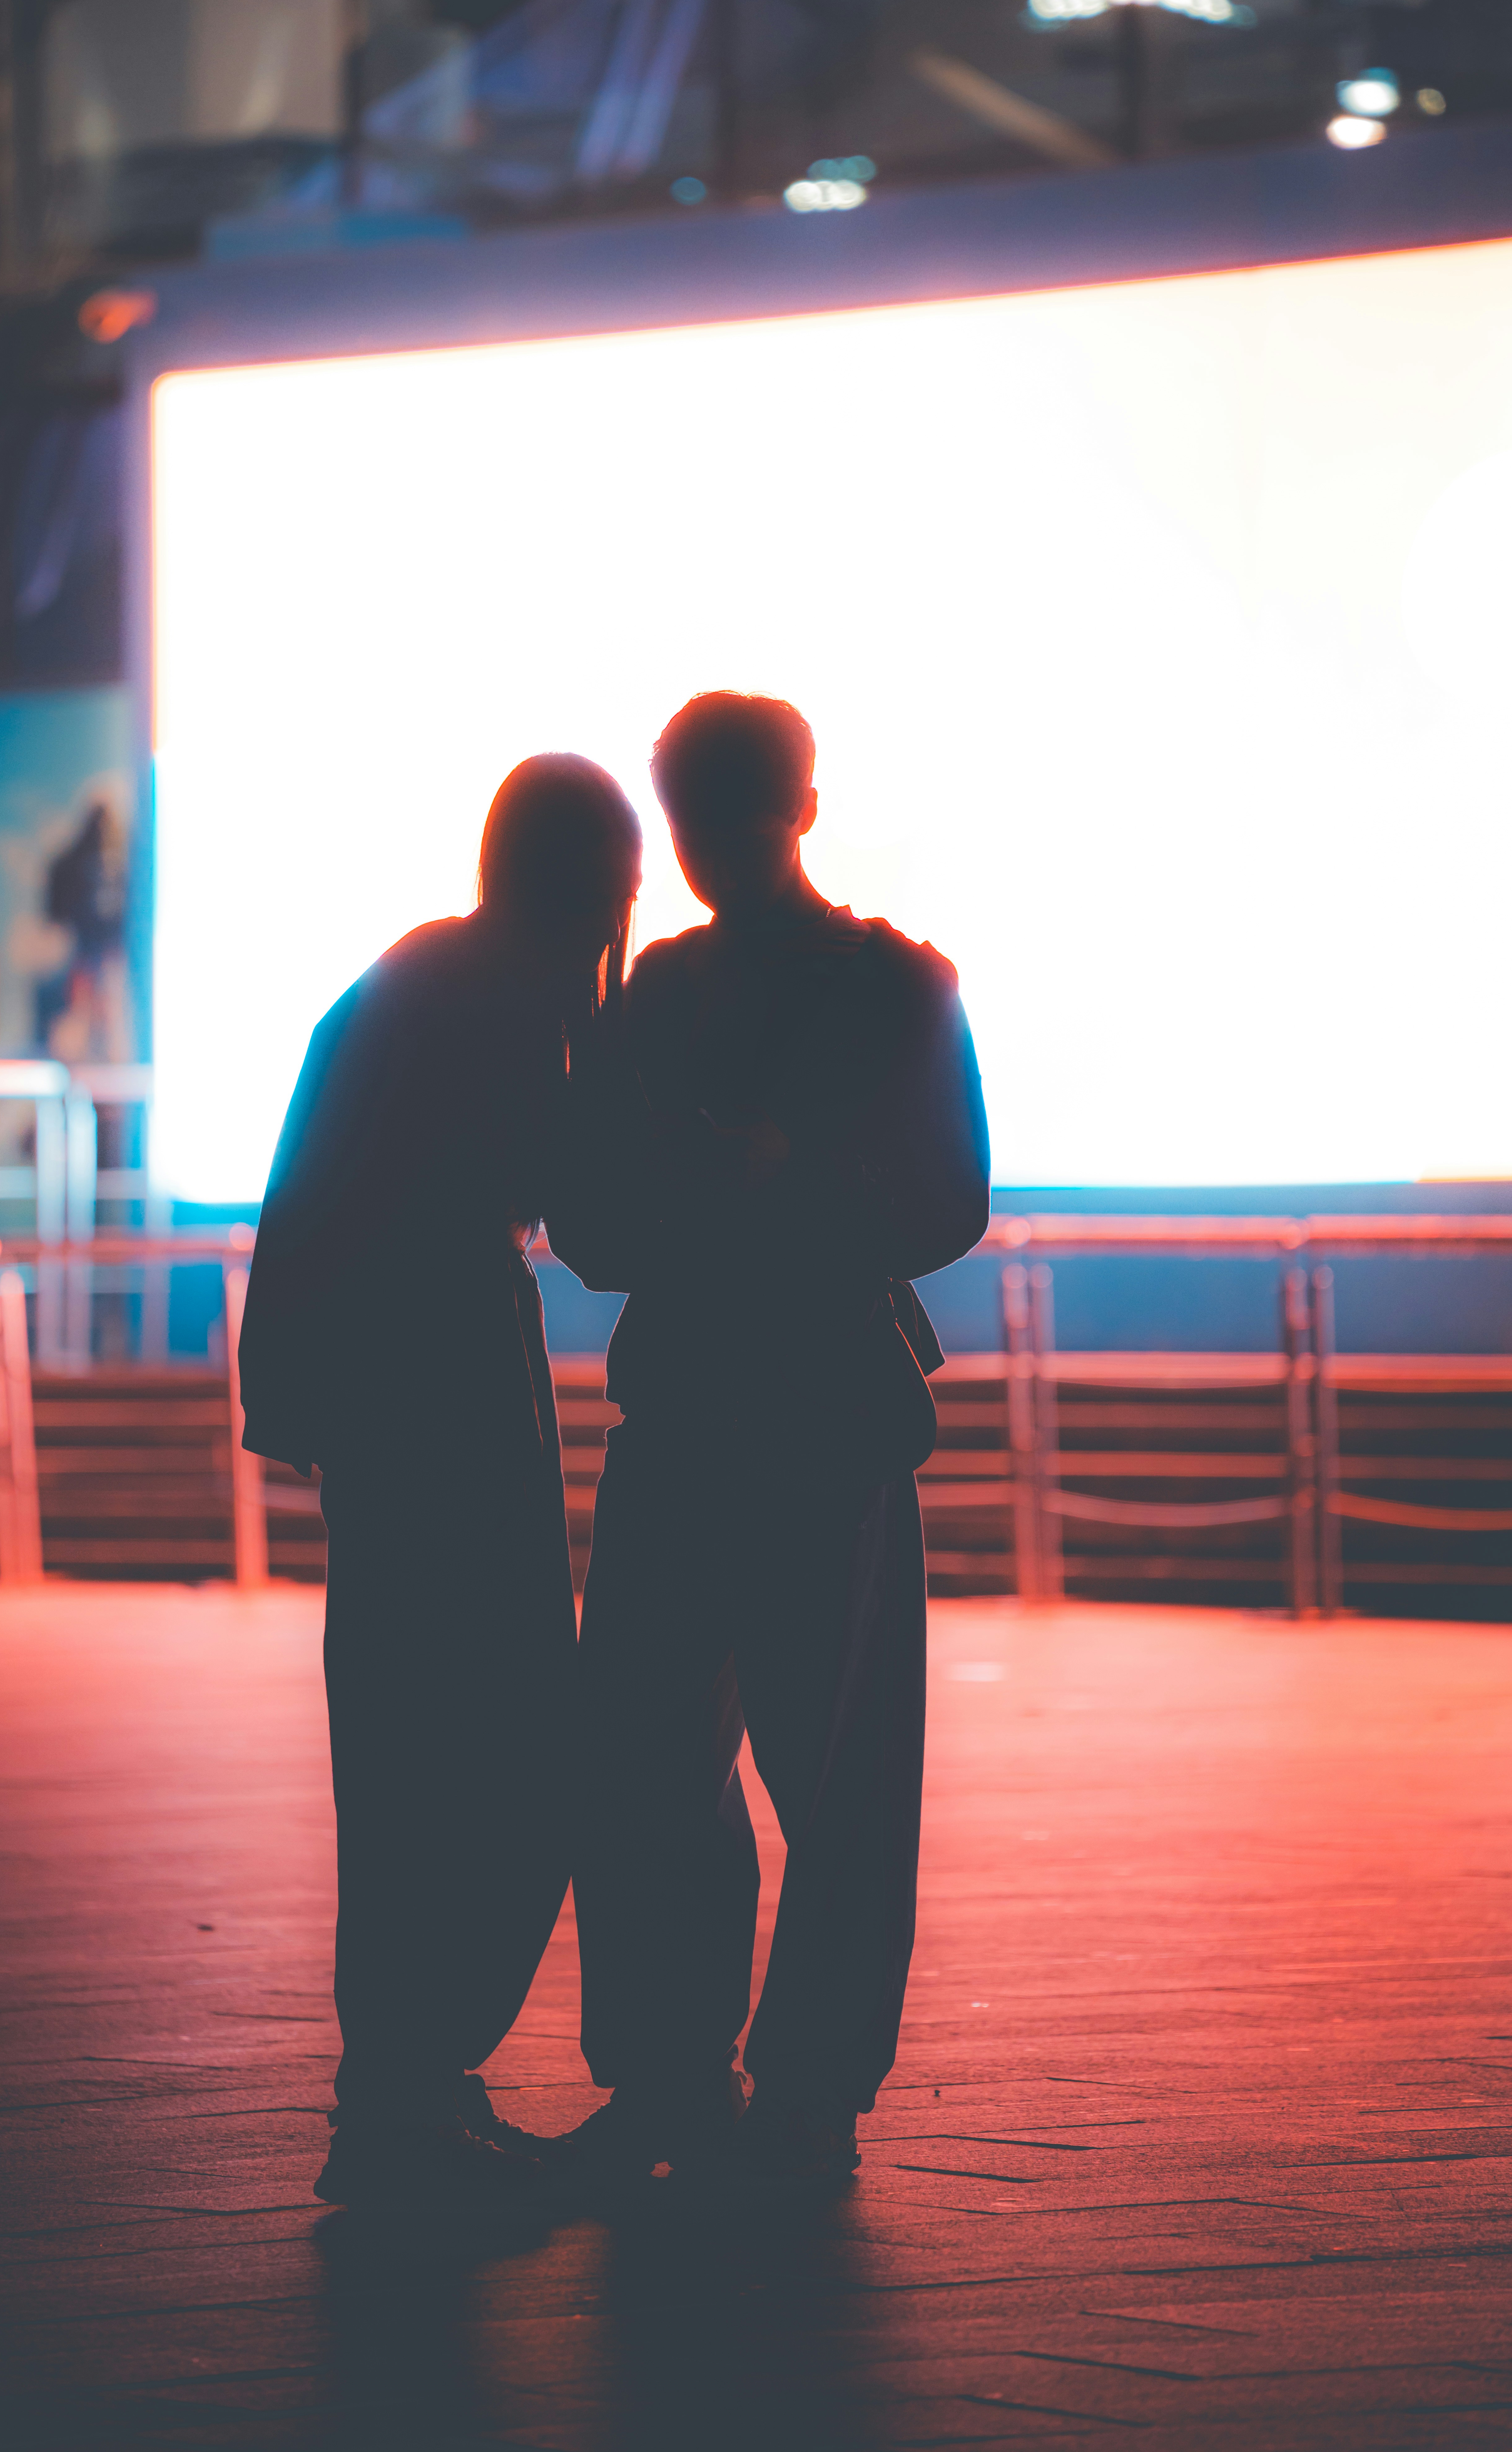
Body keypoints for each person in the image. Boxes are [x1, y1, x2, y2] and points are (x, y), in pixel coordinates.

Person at [546, 692, 990, 2185]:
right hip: (827, 1415)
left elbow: (594, 1226)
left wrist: (714, 1188)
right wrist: (800, 1184)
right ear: (804, 801)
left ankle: (671, 2071)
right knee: (841, 1770)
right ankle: (807, 2087)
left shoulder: (653, 1004)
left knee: (646, 1752)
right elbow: (942, 1207)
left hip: (682, 1409)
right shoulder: (898, 994)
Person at [238, 754, 643, 2202]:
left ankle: (401, 2086)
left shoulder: (412, 983)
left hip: (379, 1400)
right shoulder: (504, 1006)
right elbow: (588, 1211)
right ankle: (415, 2080)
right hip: (450, 1387)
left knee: (406, 1746)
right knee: (510, 1735)